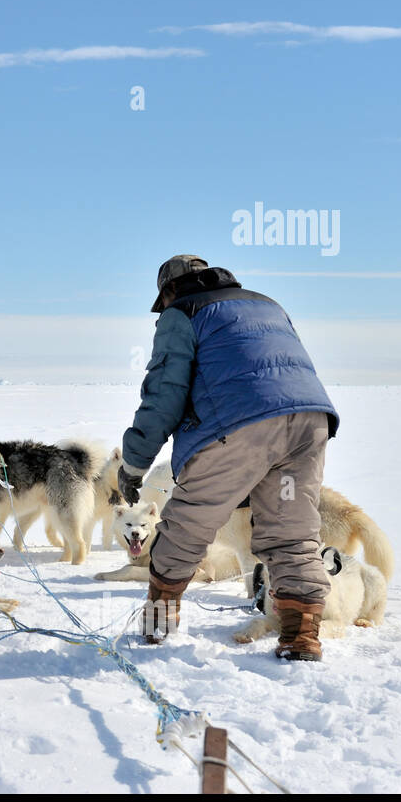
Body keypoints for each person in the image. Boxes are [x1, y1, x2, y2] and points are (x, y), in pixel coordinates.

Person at [117, 256, 340, 660]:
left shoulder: (182, 312)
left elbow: (164, 395)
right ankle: (301, 636)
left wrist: (134, 462)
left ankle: (158, 621)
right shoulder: (266, 303)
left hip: (239, 422)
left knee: (187, 524)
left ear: (170, 290)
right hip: (310, 420)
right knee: (294, 532)